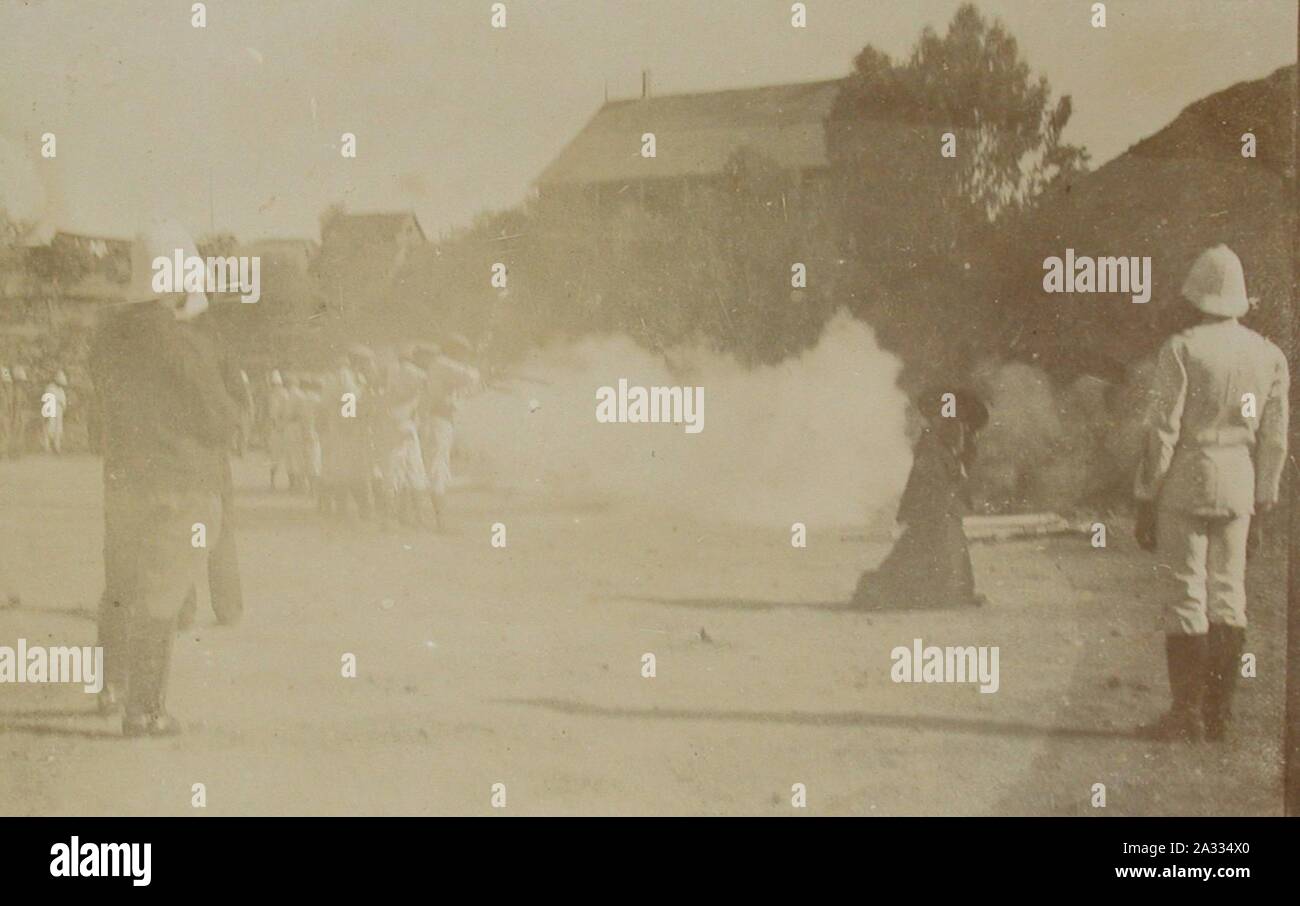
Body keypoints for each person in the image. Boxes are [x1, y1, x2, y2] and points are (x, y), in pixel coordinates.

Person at [91, 218, 240, 736]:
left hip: (123, 477)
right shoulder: (182, 339)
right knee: (161, 594)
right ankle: (145, 709)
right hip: (180, 480)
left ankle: (110, 685)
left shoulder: (108, 336)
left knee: (120, 584)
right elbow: (218, 415)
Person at [1134, 244, 1289, 742]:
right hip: (1239, 481)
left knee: (1187, 593)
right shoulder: (1268, 354)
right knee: (1229, 595)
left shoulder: (1182, 348)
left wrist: (1146, 495)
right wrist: (1264, 499)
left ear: (1195, 295)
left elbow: (1163, 429)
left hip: (1189, 478)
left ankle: (1187, 714)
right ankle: (1219, 714)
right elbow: (1275, 438)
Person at [851, 387, 989, 611]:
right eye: (952, 420)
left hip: (943, 510)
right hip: (932, 509)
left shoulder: (948, 444)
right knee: (930, 548)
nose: (961, 428)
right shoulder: (932, 444)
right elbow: (929, 479)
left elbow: (954, 473)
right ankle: (937, 593)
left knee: (948, 548)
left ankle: (953, 592)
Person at [410, 336, 480, 529]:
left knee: (432, 468)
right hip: (438, 420)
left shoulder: (441, 364)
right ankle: (439, 521)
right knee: (436, 470)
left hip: (439, 419)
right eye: (463, 352)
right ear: (455, 350)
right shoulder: (443, 363)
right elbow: (472, 377)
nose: (465, 356)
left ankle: (421, 518)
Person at [41, 370, 68, 454]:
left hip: (59, 411)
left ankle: (57, 446)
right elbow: (47, 400)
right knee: (49, 428)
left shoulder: (61, 390)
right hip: (51, 410)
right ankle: (47, 446)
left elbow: (63, 401)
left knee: (58, 429)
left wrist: (63, 408)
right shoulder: (50, 388)